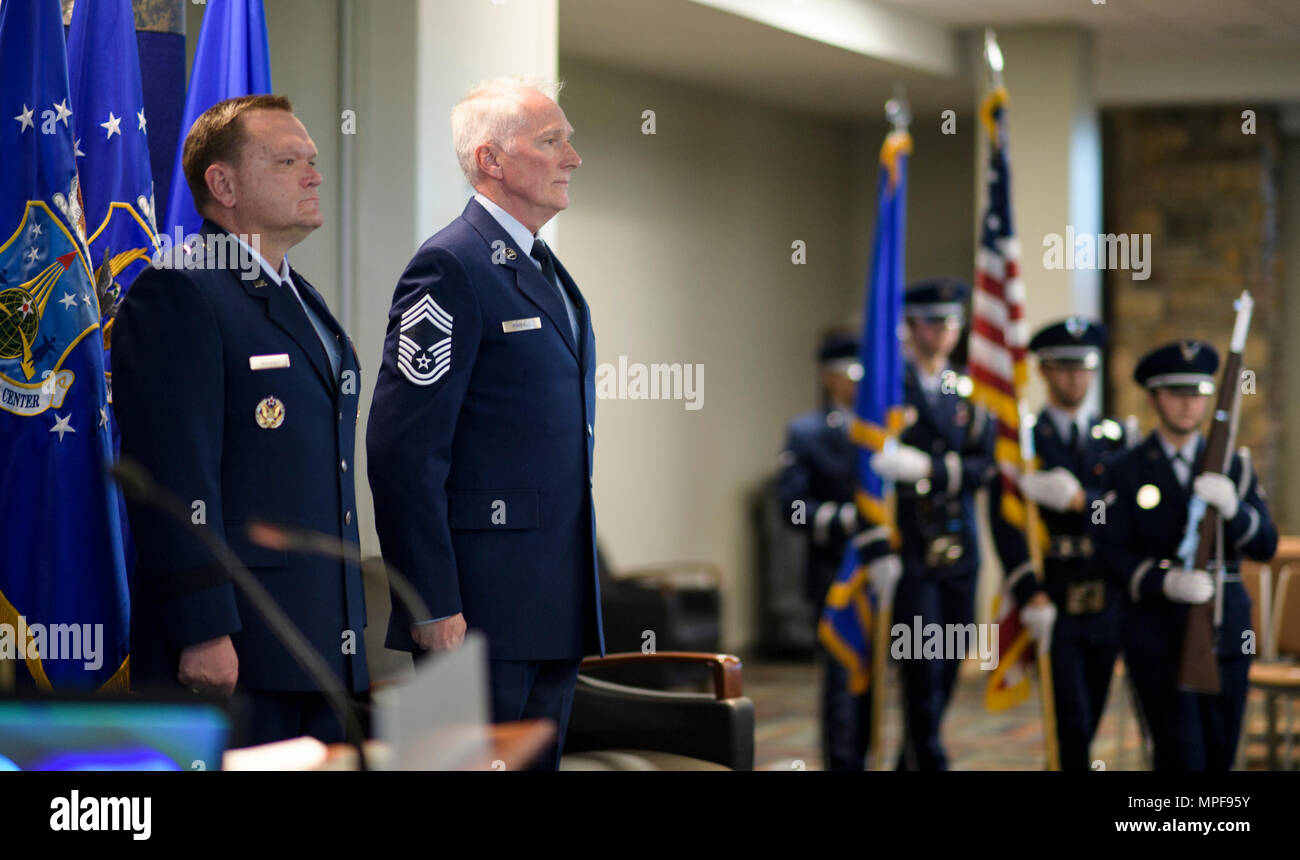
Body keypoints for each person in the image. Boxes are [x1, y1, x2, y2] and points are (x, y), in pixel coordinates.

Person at [113, 95, 368, 745]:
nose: (313, 174)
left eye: (311, 160)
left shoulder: (300, 297)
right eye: (288, 161)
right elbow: (174, 482)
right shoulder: (182, 291)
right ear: (222, 184)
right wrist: (204, 629)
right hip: (239, 647)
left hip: (317, 642)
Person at [367, 78, 602, 770]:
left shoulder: (542, 267)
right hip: (471, 616)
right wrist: (430, 605)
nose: (573, 157)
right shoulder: (449, 267)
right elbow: (403, 452)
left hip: (549, 602)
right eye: (552, 140)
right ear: (492, 160)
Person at [1094, 340, 1276, 770]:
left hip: (1226, 632)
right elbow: (1108, 554)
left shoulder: (1235, 467)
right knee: (1178, 758)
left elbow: (1265, 545)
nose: (1188, 404)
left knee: (1220, 754)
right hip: (1157, 635)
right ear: (1155, 397)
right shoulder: (1125, 469)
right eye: (1176, 393)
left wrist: (1236, 510)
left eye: (1197, 393)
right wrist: (1164, 581)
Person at [866, 277, 1000, 770]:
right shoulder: (887, 387)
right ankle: (932, 759)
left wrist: (929, 469)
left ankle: (914, 758)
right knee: (922, 666)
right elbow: (868, 458)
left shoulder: (966, 389)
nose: (943, 330)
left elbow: (986, 466)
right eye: (932, 321)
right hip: (911, 544)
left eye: (951, 321)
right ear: (910, 326)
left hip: (959, 545)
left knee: (951, 660)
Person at [1008, 318, 1129, 770]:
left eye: (1084, 367)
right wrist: (1028, 590)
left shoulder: (1118, 439)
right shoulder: (1026, 441)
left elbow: (1128, 513)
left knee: (1092, 710)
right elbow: (1007, 525)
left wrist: (1081, 500)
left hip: (1106, 592)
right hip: (1054, 593)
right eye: (1063, 368)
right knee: (1069, 720)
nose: (1076, 378)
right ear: (1043, 371)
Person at [778, 331, 871, 770]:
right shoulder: (808, 432)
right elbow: (791, 509)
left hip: (884, 573)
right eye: (848, 374)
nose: (857, 384)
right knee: (839, 683)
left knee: (883, 682)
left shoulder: (886, 428)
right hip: (835, 571)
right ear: (829, 378)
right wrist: (843, 518)